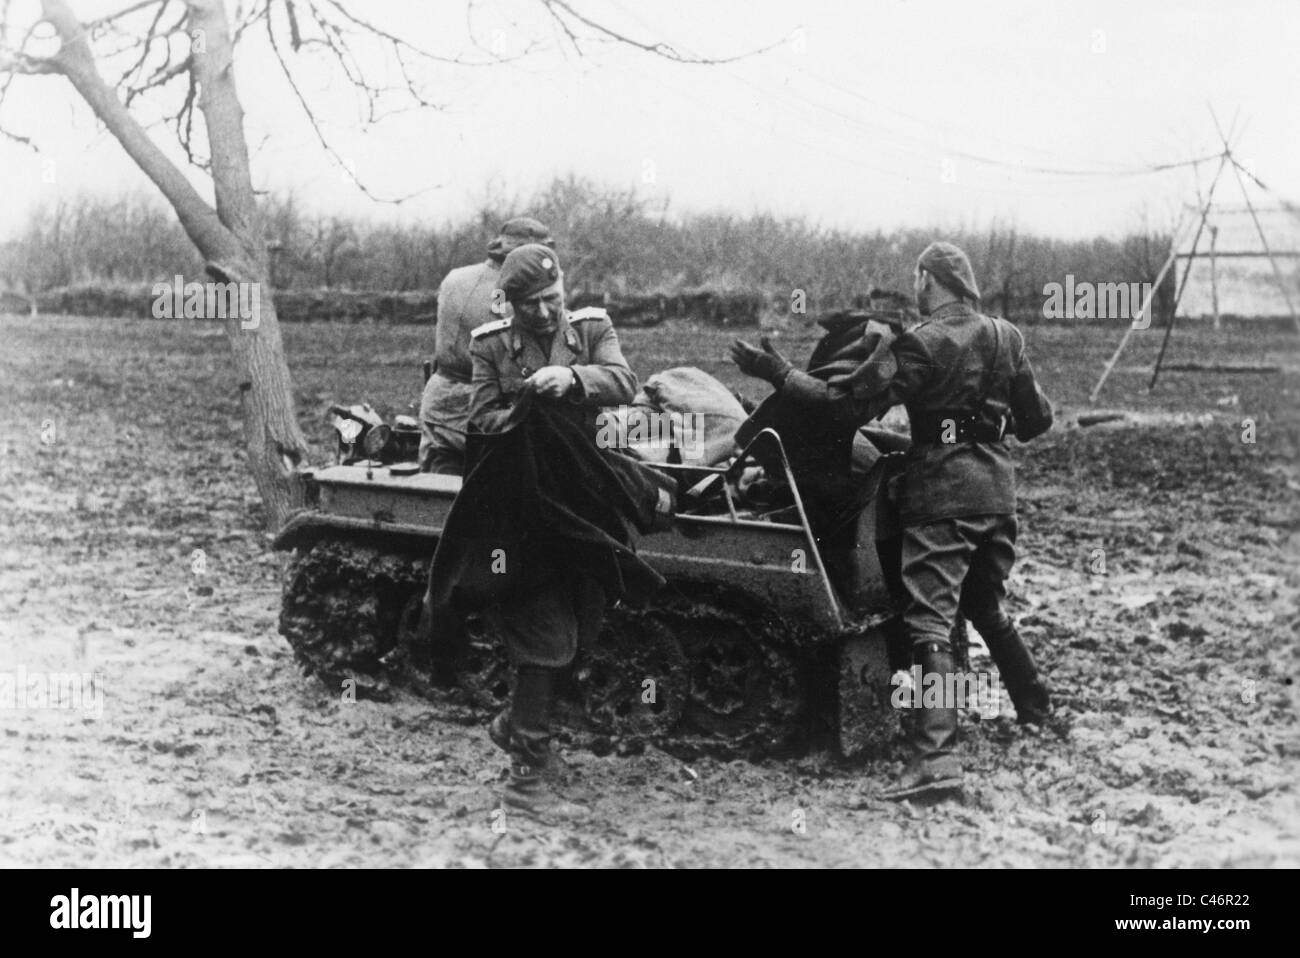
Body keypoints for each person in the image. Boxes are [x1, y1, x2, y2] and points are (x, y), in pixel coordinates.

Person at [730, 241, 1055, 800]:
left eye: (918, 279)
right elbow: (1038, 420)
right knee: (984, 605)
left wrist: (777, 372)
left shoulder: (921, 345)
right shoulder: (1007, 336)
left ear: (928, 280)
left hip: (943, 500)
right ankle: (1036, 708)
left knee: (930, 624)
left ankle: (935, 759)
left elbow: (842, 404)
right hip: (998, 496)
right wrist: (981, 426)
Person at [465, 243, 652, 823]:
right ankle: (524, 784)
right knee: (545, 638)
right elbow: (479, 420)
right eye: (530, 306)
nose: (544, 314)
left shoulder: (593, 329)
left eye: (552, 300)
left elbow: (623, 382)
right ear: (510, 304)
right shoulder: (491, 344)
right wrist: (525, 402)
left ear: (563, 289)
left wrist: (571, 379)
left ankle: (515, 720)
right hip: (526, 508)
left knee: (583, 628)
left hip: (587, 504)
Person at [417, 216, 554, 473]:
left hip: (439, 403)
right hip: (485, 411)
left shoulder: (454, 278)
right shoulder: (510, 294)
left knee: (434, 489)